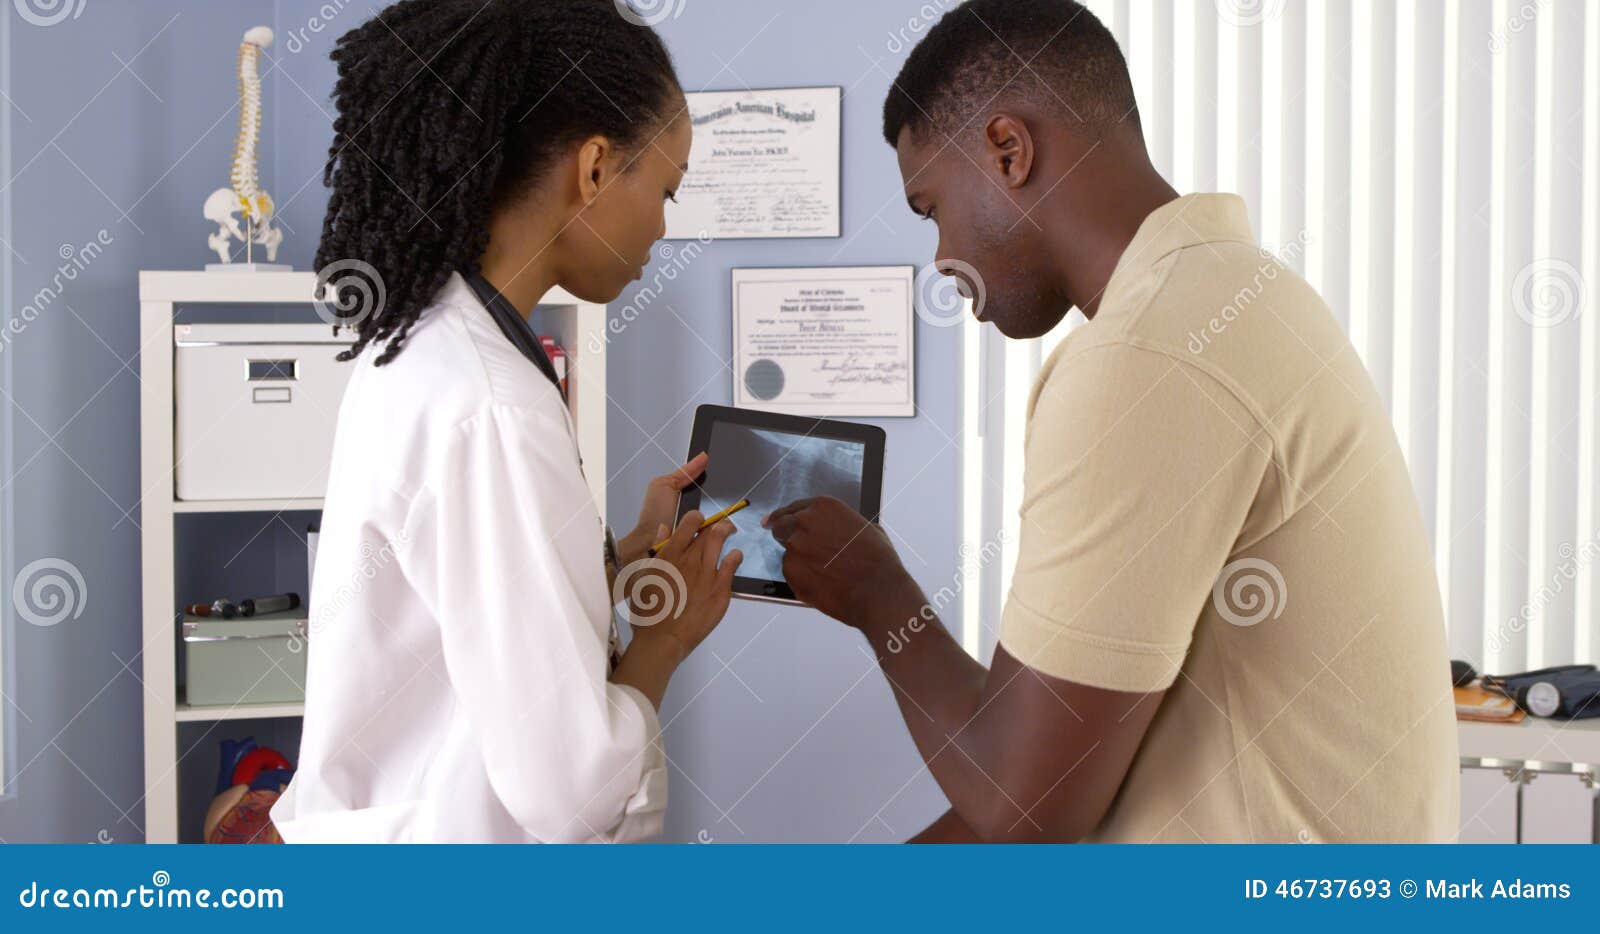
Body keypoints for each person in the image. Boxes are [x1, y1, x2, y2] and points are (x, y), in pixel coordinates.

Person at [767, 0, 1459, 843]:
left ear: (1008, 150)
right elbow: (1070, 753)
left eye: (931, 209)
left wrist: (879, 597)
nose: (940, 257)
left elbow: (1025, 811)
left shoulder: (1150, 353)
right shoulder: (1235, 295)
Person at [272, 0, 742, 843]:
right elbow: (570, 795)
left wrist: (612, 562)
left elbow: (461, 613)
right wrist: (665, 640)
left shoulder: (431, 343)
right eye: (666, 190)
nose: (663, 227)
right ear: (594, 168)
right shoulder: (491, 403)